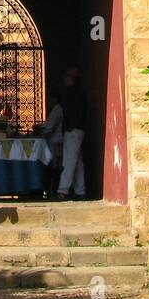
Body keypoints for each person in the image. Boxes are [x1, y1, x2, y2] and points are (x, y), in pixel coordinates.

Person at [57, 65, 87, 200]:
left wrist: (67, 128)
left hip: (72, 129)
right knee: (77, 161)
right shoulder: (78, 92)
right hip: (78, 128)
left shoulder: (71, 93)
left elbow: (71, 112)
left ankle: (63, 190)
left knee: (69, 160)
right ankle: (80, 190)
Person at [38, 94, 65, 198]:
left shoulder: (56, 110)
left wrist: (40, 130)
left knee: (54, 165)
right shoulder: (57, 109)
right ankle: (52, 190)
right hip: (56, 140)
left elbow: (50, 127)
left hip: (56, 141)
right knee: (56, 165)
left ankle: (52, 190)